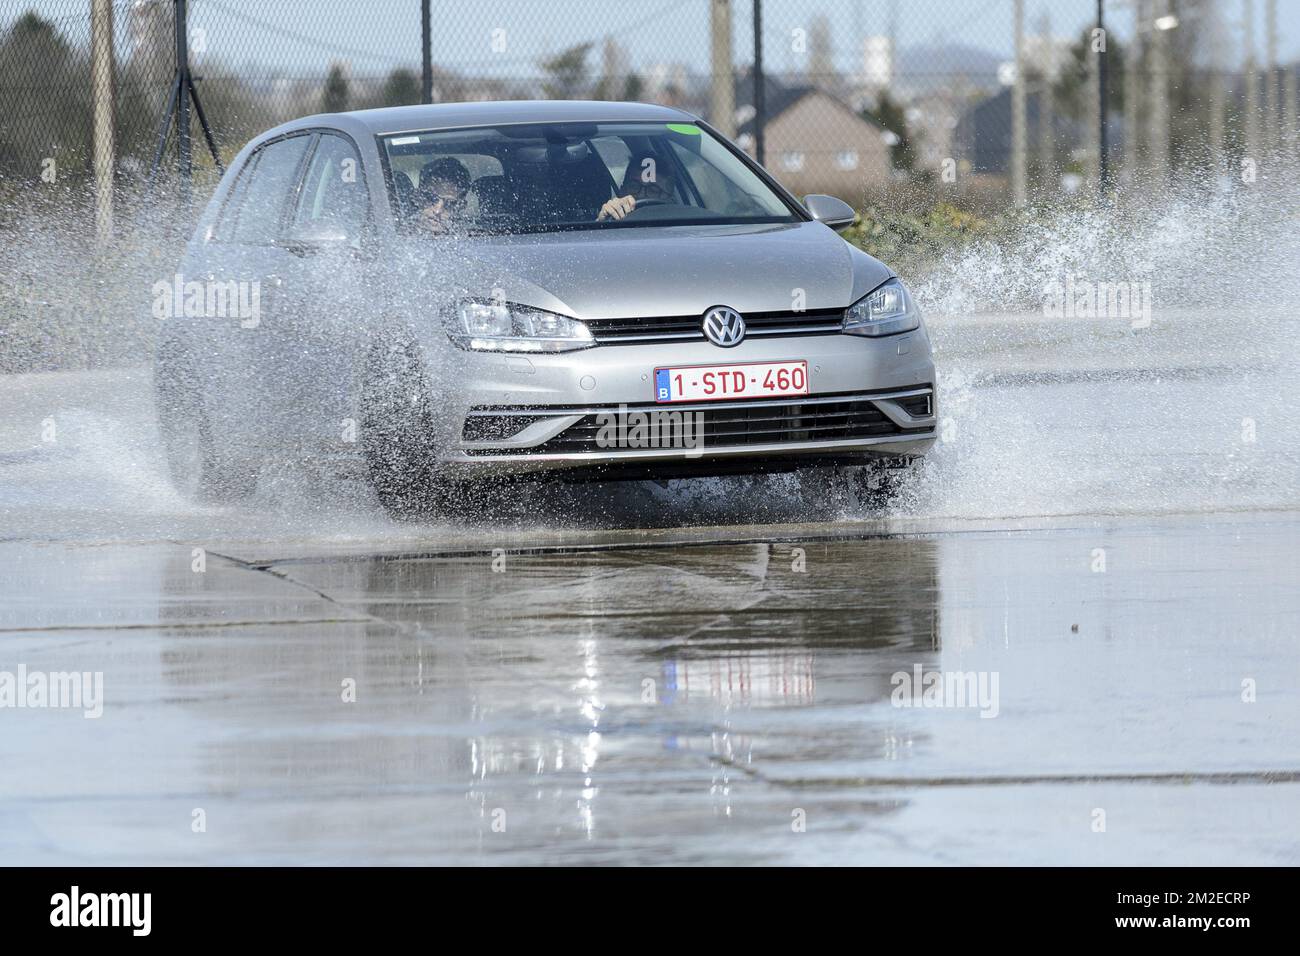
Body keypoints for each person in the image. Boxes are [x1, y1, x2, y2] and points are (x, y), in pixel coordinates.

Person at [597, 152, 679, 221]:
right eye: (634, 186)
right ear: (622, 190)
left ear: (670, 199)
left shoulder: (682, 226)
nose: (641, 194)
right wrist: (603, 222)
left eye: (653, 190)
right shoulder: (613, 219)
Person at [412, 157, 471, 235]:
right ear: (418, 197)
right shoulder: (395, 236)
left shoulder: (473, 238)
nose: (437, 211)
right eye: (431, 198)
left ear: (461, 206)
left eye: (449, 204)